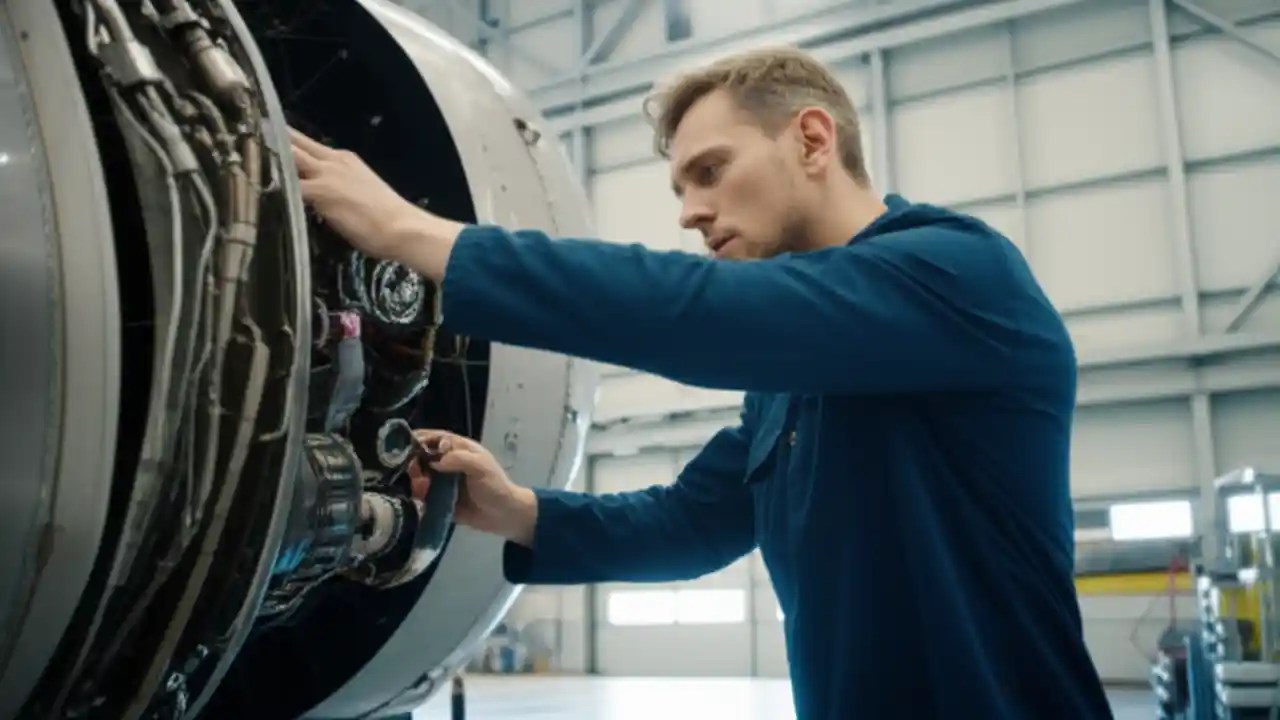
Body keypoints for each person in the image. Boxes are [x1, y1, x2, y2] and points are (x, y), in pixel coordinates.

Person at [290, 46, 1113, 720]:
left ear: (814, 141)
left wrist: (411, 232)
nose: (689, 211)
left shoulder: (958, 275)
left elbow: (702, 313)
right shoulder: (793, 386)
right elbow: (688, 524)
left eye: (711, 171)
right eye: (681, 187)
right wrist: (518, 509)